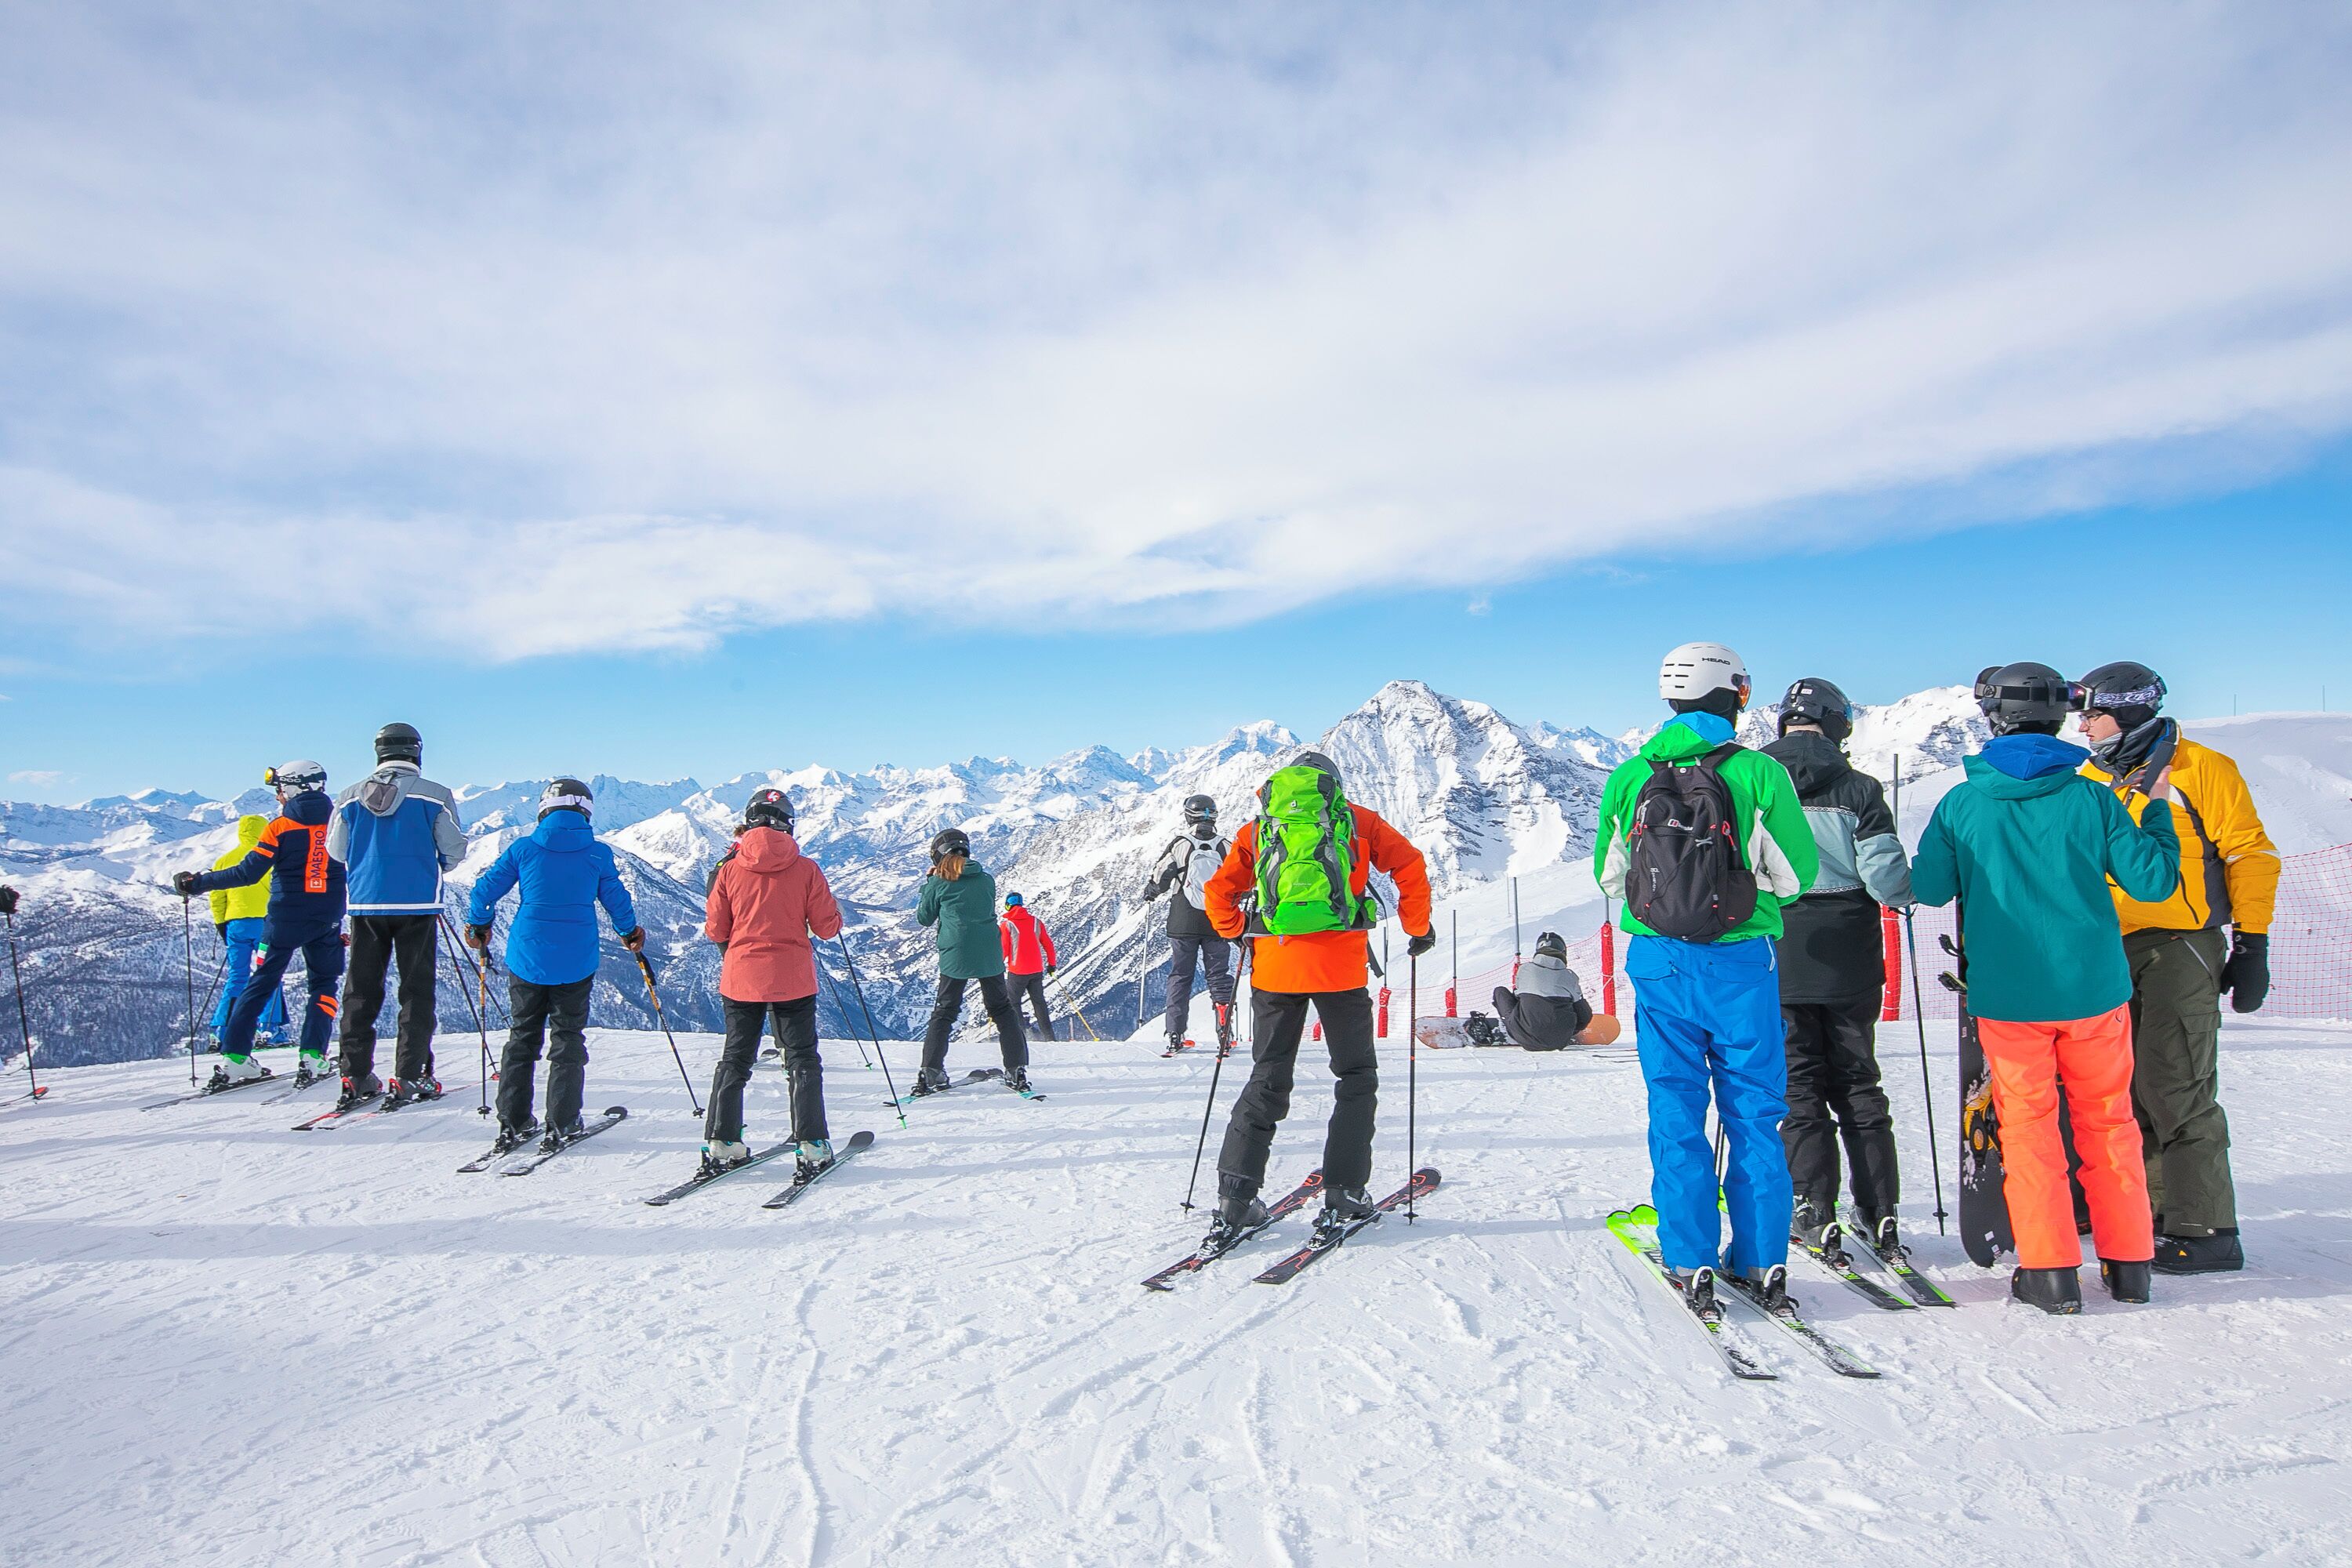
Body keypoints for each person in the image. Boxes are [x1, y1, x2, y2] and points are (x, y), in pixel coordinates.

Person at [1911, 662, 2181, 1313]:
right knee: (2110, 1124)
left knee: (2031, 1133)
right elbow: (2153, 883)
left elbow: (1929, 889)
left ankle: (2050, 1273)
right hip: (2095, 992)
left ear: (1993, 718)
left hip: (2009, 1001)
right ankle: (2130, 1267)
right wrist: (2157, 809)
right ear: (2060, 718)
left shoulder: (1962, 803)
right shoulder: (2093, 799)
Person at [1593, 643, 1818, 1311]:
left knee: (1675, 1106)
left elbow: (1610, 877)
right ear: (1733, 695)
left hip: (1660, 962)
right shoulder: (1759, 772)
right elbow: (1797, 877)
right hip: (1741, 962)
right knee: (1755, 1112)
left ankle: (1689, 1256)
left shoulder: (1631, 776)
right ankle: (1761, 1259)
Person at [2076, 660, 2277, 1274]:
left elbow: (2249, 854)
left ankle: (2206, 1227)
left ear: (2130, 711)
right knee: (2120, 1086)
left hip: (2179, 944)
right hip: (2107, 947)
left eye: (2094, 714)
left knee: (2176, 1081)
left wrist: (2252, 944)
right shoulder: (2090, 777)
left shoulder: (2201, 769)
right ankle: (2151, 1210)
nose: (2083, 726)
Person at [1203, 750, 1433, 1245]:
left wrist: (1238, 930)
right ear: (1335, 787)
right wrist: (1418, 928)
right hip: (1340, 970)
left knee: (1267, 1077)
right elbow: (1409, 866)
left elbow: (1219, 892)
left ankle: (1235, 1200)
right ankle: (1344, 1192)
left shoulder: (1260, 828)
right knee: (1355, 1077)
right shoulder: (1361, 822)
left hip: (1276, 968)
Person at [1761, 677, 1917, 1258]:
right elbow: (1886, 881)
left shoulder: (1755, 783)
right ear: (1838, 726)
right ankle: (1880, 1211)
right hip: (1852, 953)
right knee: (1858, 1080)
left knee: (1799, 1082)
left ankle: (1811, 1206)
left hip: (1778, 950)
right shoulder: (1860, 789)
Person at [463, 779, 644, 1153]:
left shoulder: (523, 849)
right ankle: (563, 1121)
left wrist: (479, 925)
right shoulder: (597, 853)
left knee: (522, 1036)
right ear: (586, 811)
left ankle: (512, 1121)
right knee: (568, 1038)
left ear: (544, 809)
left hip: (527, 956)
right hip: (576, 958)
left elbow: (484, 891)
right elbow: (616, 901)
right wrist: (630, 932)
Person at [172, 762, 347, 1091]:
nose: (278, 796)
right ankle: (313, 1056)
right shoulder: (342, 823)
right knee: (324, 984)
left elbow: (247, 873)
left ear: (295, 788)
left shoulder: (279, 827)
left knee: (260, 983)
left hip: (282, 920)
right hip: (327, 920)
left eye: (280, 788)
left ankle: (236, 1058)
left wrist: (198, 883)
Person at [699, 788, 845, 1178]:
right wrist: (834, 915)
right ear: (788, 824)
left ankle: (722, 1142)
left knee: (735, 1058)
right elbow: (826, 928)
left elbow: (716, 929)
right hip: (793, 978)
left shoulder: (729, 869)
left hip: (742, 977)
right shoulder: (807, 869)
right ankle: (812, 1144)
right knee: (802, 1059)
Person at [329, 722, 467, 1106]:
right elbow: (453, 850)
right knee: (416, 991)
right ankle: (411, 1074)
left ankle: (355, 1075)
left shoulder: (349, 797)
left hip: (365, 903)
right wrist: (432, 865)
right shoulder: (435, 795)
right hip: (417, 904)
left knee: (360, 989)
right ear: (416, 752)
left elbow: (337, 851)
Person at [913, 828, 1032, 1094]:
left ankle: (931, 1072)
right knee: (1002, 1010)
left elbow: (924, 918)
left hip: (956, 952)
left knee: (945, 1012)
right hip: (989, 952)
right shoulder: (986, 880)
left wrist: (929, 883)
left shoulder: (939, 882)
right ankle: (1016, 1069)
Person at [1143, 794, 1239, 1054]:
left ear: (1188, 816)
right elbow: (1240, 878)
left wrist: (1151, 891)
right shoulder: (1225, 846)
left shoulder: (1181, 844)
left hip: (1183, 919)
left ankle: (1175, 1034)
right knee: (1218, 975)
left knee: (1181, 976)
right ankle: (1224, 1031)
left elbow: (1161, 877)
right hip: (1216, 919)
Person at [207, 814, 292, 1051]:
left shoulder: (224, 860)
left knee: (237, 977)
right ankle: (269, 1030)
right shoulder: (269, 856)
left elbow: (216, 897)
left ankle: (223, 1031)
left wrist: (222, 924)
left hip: (235, 925)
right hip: (266, 925)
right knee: (269, 973)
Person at [1490, 931, 1595, 1048]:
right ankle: (1556, 1032)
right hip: (1560, 1040)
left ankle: (1513, 1025)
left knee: (1500, 991)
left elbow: (1518, 998)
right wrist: (1571, 1030)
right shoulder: (1570, 976)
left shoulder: (1525, 969)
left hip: (1526, 1037)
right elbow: (1585, 1015)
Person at [997, 892, 1058, 1041]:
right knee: (1039, 1002)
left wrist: (997, 966)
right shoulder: (1036, 922)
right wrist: (1051, 964)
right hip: (1036, 969)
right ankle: (1049, 1037)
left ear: (1008, 906)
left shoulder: (1007, 925)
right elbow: (1048, 945)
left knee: (1014, 1003)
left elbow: (1003, 949)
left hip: (1017, 971)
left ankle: (1020, 1037)